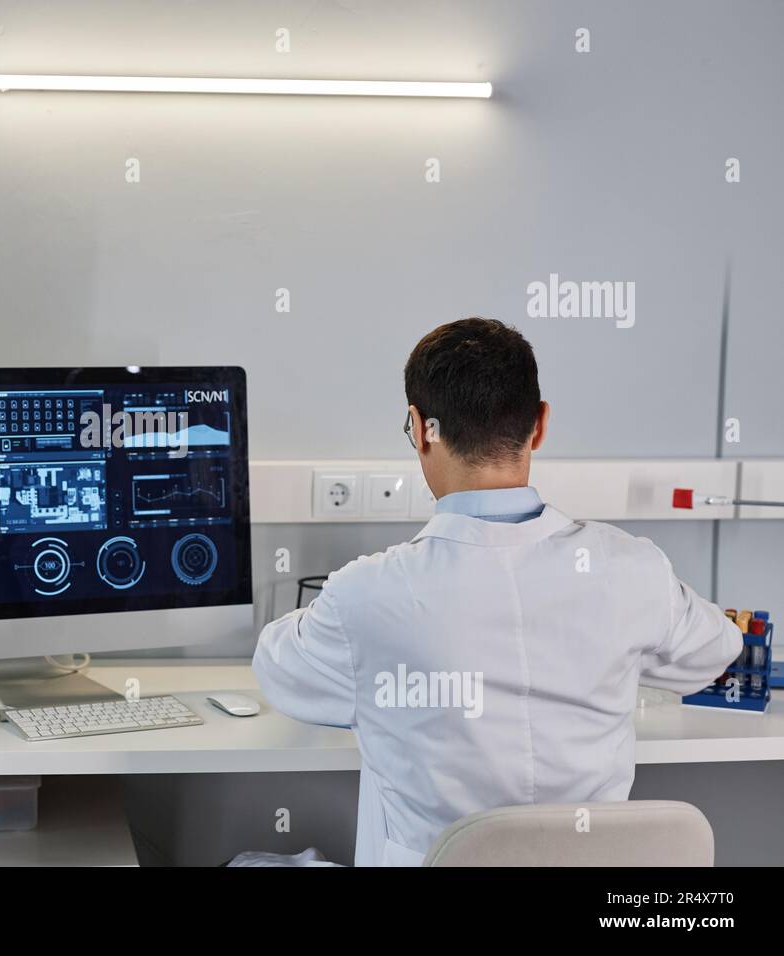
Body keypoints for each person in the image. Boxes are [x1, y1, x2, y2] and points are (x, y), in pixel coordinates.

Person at [252, 317, 742, 867]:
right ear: (539, 425)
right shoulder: (630, 570)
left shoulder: (368, 597)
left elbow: (277, 670)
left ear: (419, 428)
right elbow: (716, 650)